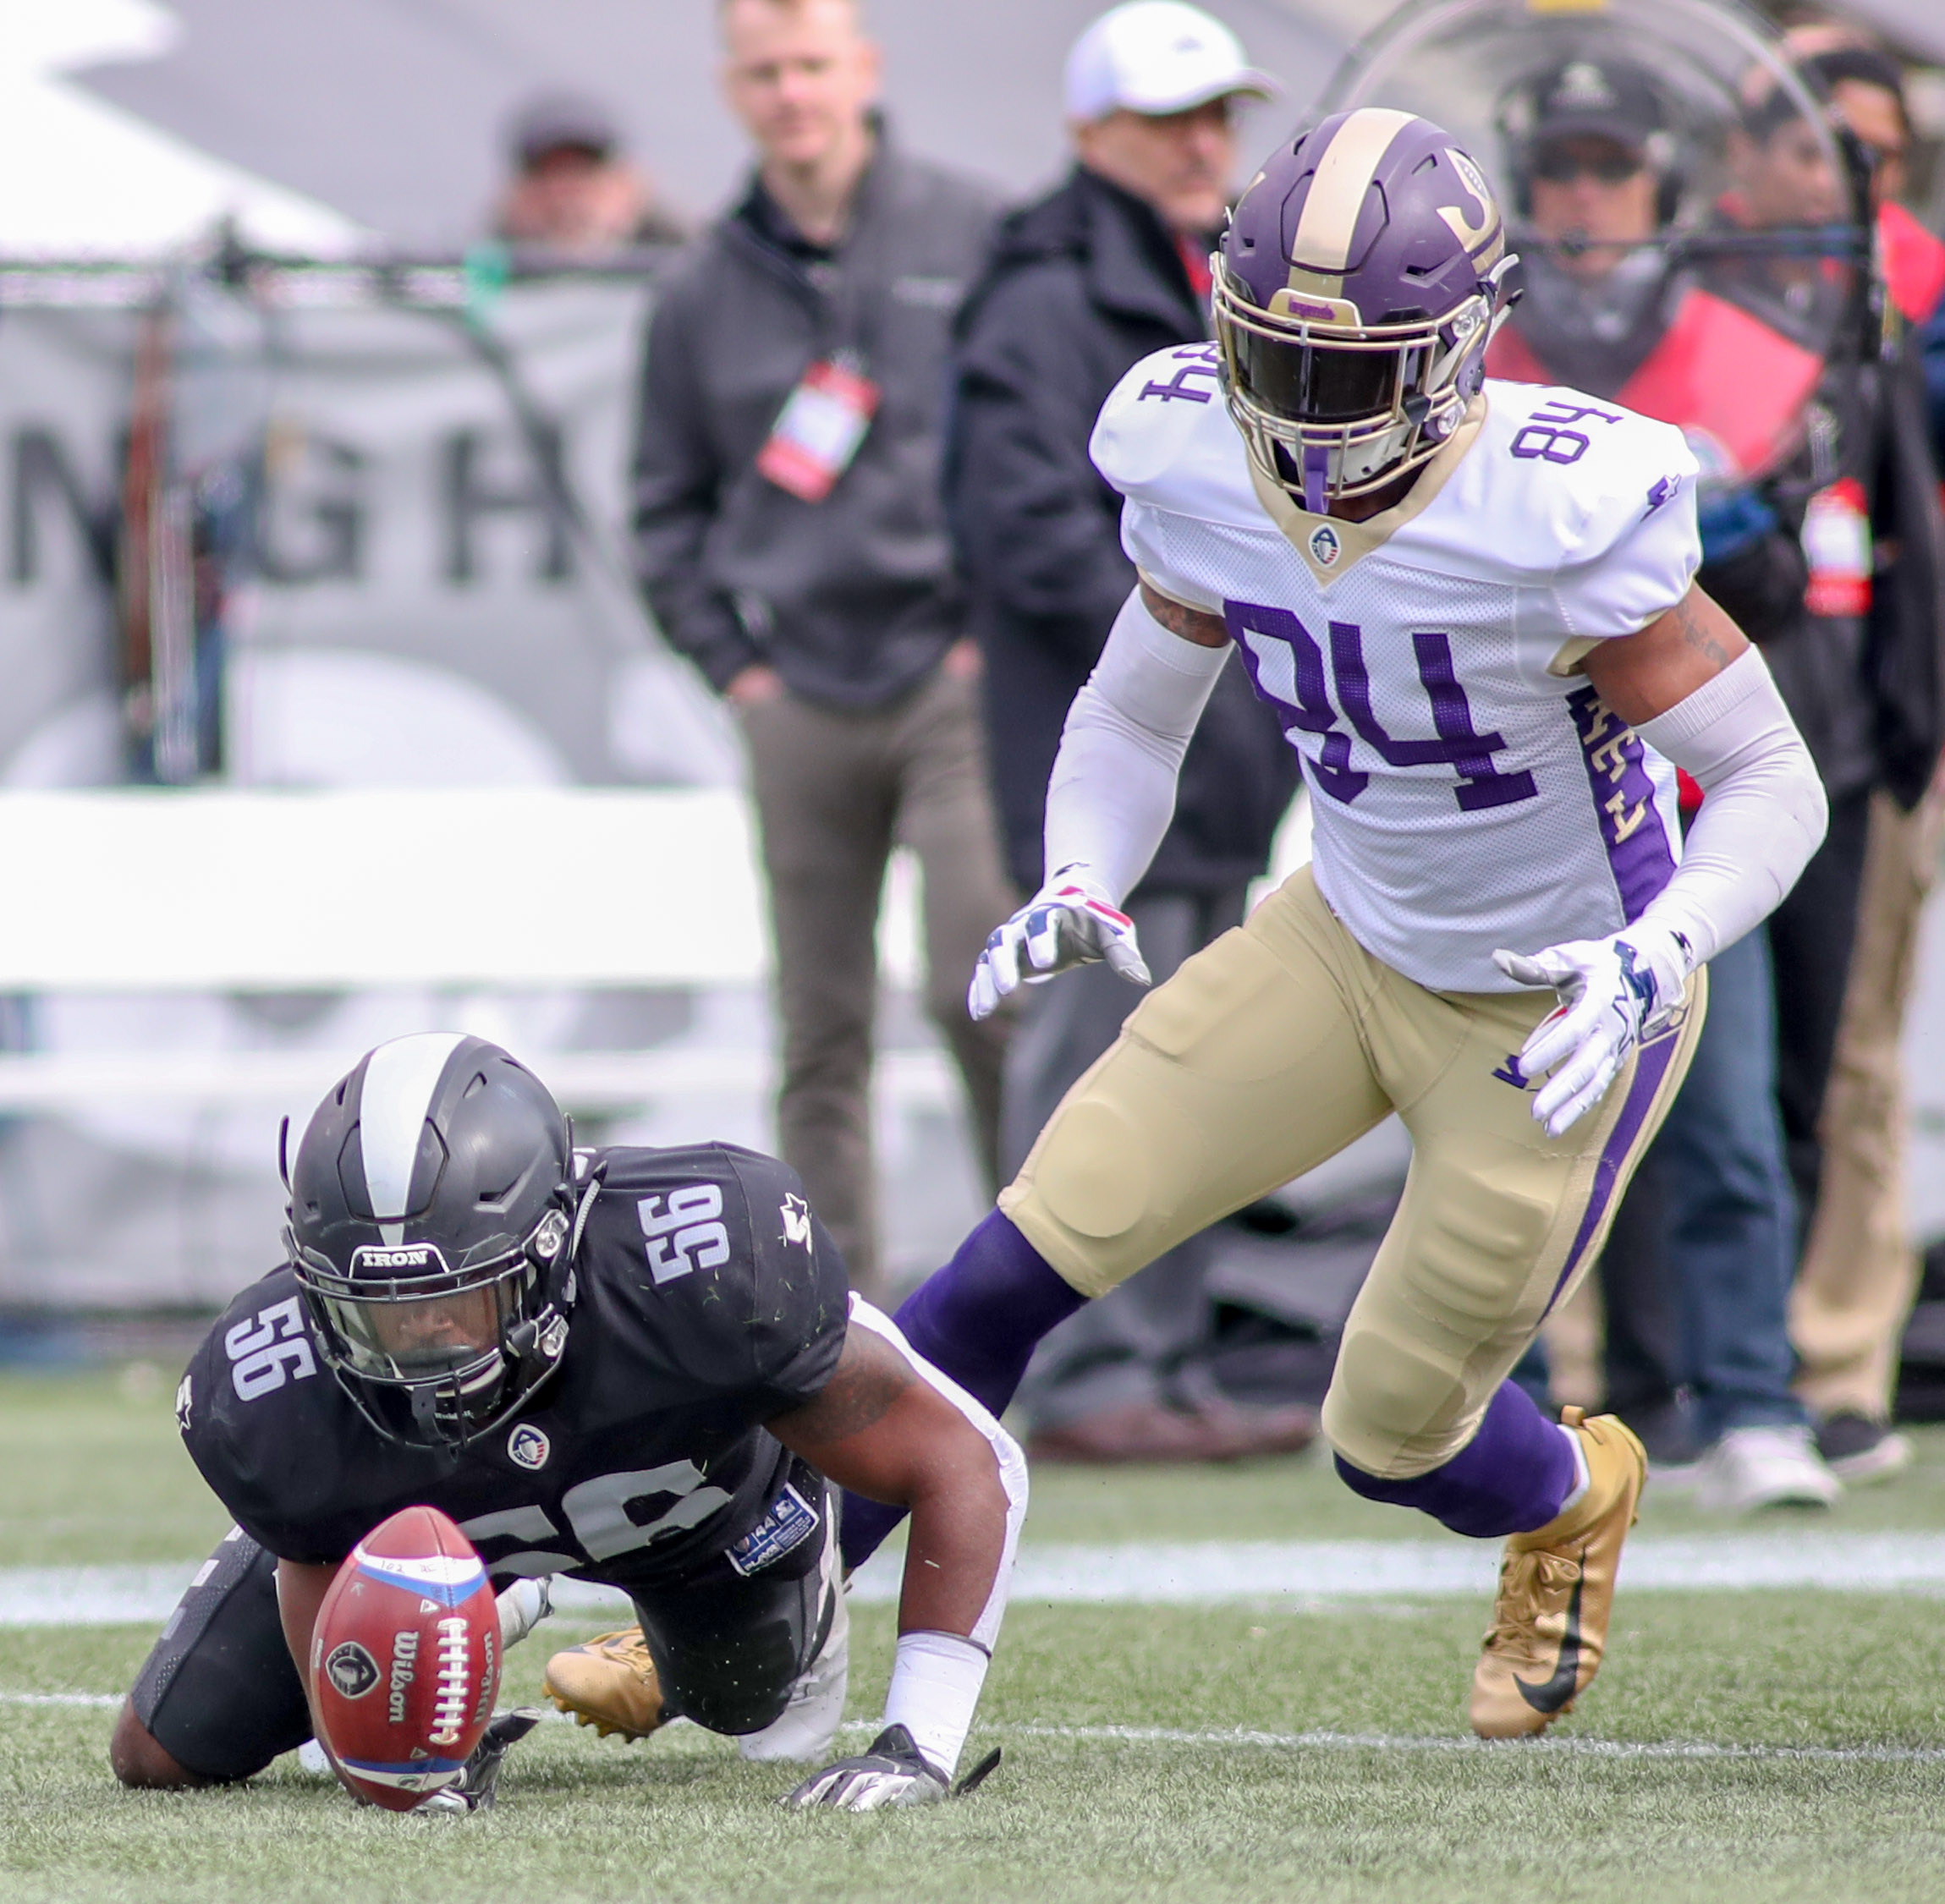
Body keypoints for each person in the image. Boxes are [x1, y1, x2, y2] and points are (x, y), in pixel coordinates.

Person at [841, 108, 1828, 1738]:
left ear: (1456, 350)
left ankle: (1569, 1490)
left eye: (1350, 372)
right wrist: (1082, 867)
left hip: (1551, 1006)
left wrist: (1661, 949)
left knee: (1388, 1439)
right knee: (1005, 1269)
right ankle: (734, 1621)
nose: (1299, 416)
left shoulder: (1556, 501)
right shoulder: (1187, 450)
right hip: (1340, 936)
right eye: (1271, 361)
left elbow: (1766, 777)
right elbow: (1132, 713)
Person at [109, 1034, 1025, 1812]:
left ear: (551, 1245)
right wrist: (393, 1763)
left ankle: (780, 1553)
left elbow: (969, 1461)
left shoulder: (705, 1271)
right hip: (411, 1525)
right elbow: (334, 1648)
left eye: (457, 1303)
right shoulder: (277, 1390)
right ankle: (462, 1593)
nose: (419, 1347)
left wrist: (919, 1742)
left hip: (693, 1522)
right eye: (377, 1313)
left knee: (743, 1694)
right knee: (160, 1752)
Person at [947, 0, 1307, 1462]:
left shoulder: (1204, 278)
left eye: (1214, 119)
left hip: (1209, 751)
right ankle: (1092, 1371)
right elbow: (1017, 526)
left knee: (1181, 1064)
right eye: (1167, 122)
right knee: (1100, 1060)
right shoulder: (1038, 295)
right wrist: (1188, 623)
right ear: (1088, 135)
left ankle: (1152, 1359)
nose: (1199, 146)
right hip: (1108, 749)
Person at [1489, 53, 1842, 1511]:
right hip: (1511, 796)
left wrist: (1752, 514)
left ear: (1659, 187)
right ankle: (1489, 1405)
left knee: (1723, 1114)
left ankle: (1748, 1393)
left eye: (1607, 170)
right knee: (1498, 1116)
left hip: (1676, 800)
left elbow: (1774, 573)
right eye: (1561, 170)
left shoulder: (1742, 343)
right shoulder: (1478, 347)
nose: (1583, 198)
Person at [633, 0, 1013, 1301]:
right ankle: (833, 1332)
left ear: (862, 72)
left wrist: (988, 633)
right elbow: (662, 507)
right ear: (732, 91)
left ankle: (1038, 1296)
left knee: (987, 977)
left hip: (949, 680)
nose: (791, 93)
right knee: (820, 1030)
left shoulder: (969, 233)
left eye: (811, 66)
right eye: (765, 73)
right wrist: (734, 669)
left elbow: (1038, 445)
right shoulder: (697, 286)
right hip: (794, 690)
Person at [1781, 41, 1945, 1480]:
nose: (1843, 169)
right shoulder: (1692, 276)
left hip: (1878, 706)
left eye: (1869, 149)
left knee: (1853, 1056)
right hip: (1719, 712)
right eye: (1819, 138)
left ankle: (1835, 1364)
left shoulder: (1912, 283)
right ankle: (1614, 1364)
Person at [493, 92, 686, 253]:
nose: (565, 196)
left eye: (584, 174)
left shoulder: (698, 276)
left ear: (629, 186)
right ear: (517, 197)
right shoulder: (479, 285)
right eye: (549, 177)